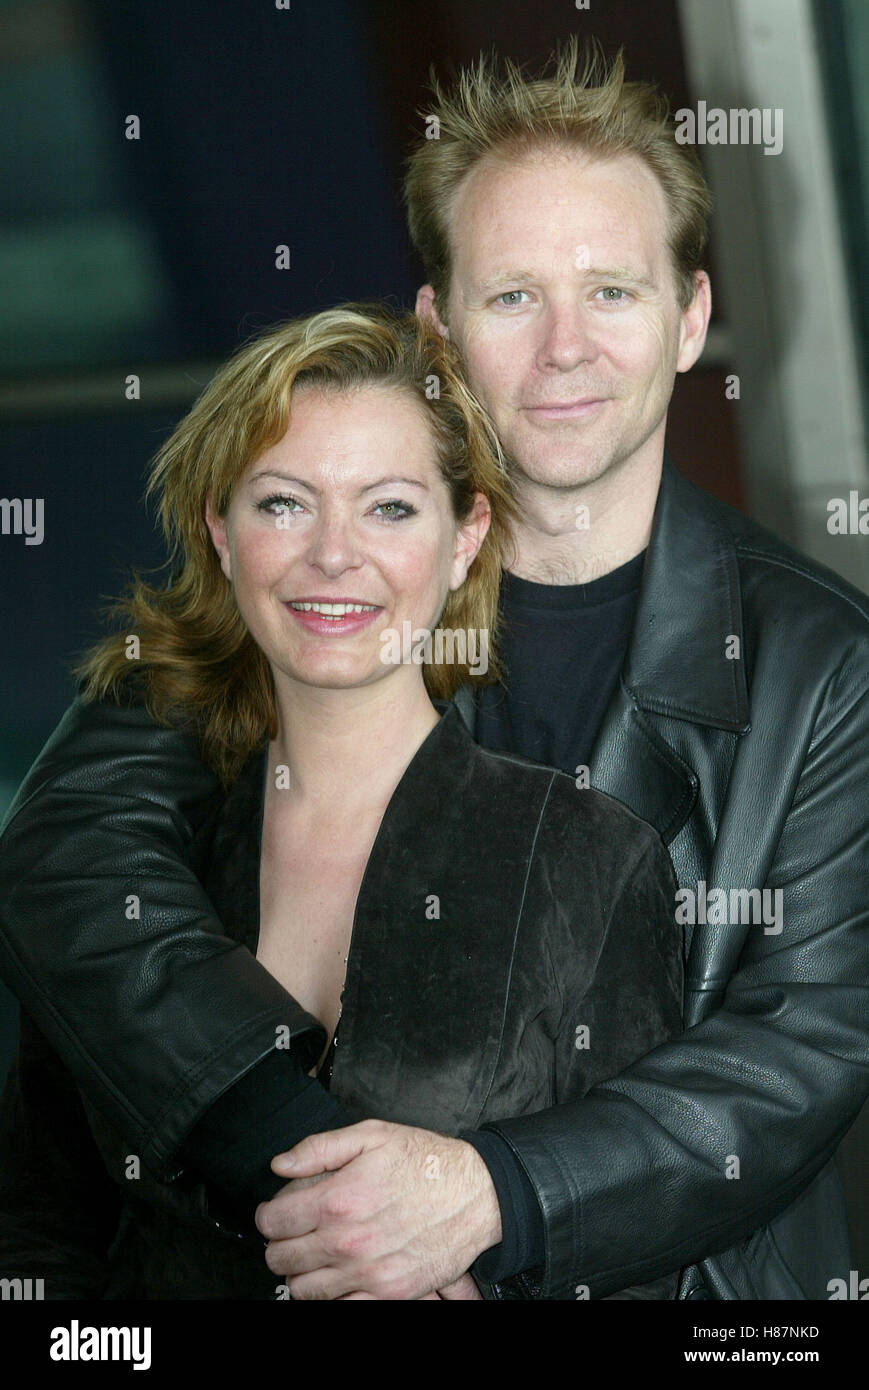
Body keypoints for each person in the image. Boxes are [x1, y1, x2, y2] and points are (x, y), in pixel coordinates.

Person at [0, 39, 867, 1301]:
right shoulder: (326, 589)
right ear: (436, 323)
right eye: (512, 296)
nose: (564, 349)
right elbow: (72, 853)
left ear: (687, 319)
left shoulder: (824, 666)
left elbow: (803, 1046)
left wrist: (488, 1199)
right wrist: (281, 1151)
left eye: (612, 294)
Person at [0, 303, 682, 1300]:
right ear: (219, 534)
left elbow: (631, 1252)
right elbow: (36, 1227)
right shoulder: (140, 864)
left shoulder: (589, 854)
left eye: (390, 507)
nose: (332, 553)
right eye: (282, 502)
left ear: (465, 538)